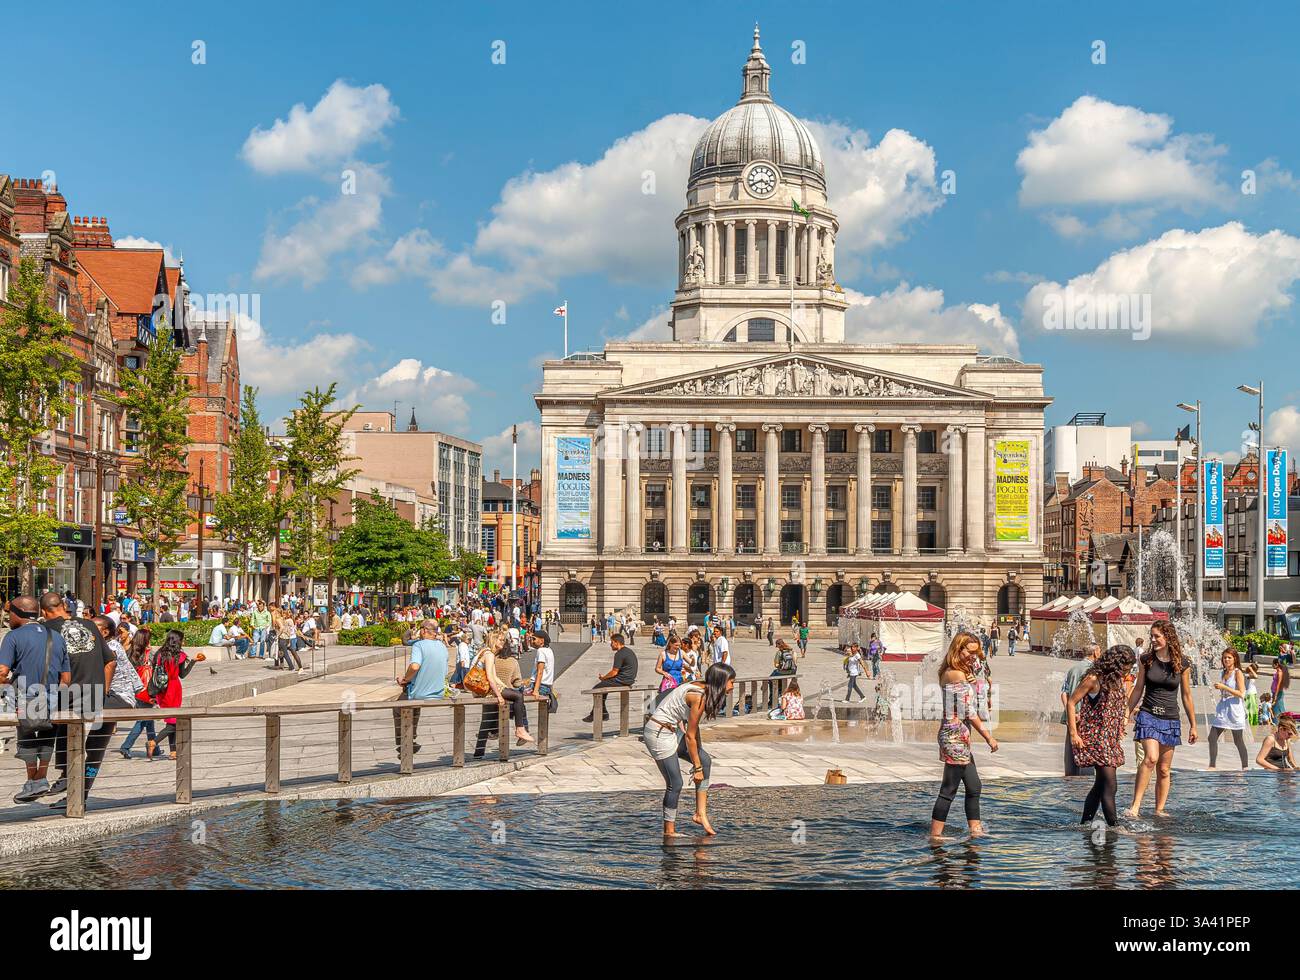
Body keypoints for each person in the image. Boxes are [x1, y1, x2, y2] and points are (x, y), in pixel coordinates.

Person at [40, 593, 118, 810]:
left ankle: (63, 781)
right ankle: (71, 788)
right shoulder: (90, 625)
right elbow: (110, 661)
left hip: (75, 695)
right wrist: (103, 692)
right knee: (86, 747)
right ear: (64, 606)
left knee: (49, 723)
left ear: (44, 612)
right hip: (100, 697)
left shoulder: (47, 630)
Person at [643, 662, 734, 837]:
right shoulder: (698, 696)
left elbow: (694, 728)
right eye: (731, 682)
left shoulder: (702, 689)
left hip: (671, 731)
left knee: (705, 760)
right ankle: (669, 831)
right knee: (675, 783)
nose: (732, 687)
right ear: (721, 681)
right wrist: (696, 768)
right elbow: (690, 736)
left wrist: (699, 757)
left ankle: (700, 814)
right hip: (658, 733)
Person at [0, 597, 71, 803]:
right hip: (54, 696)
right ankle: (41, 777)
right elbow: (66, 678)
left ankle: (33, 782)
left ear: (18, 612)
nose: (8, 617)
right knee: (48, 734)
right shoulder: (56, 636)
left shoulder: (14, 636)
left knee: (27, 734)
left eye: (9, 612)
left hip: (26, 696)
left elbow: (2, 671)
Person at [1126, 620, 1198, 818]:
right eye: (1152, 635)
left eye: (1157, 636)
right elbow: (1138, 688)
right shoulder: (1146, 659)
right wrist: (1126, 713)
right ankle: (1135, 806)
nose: (1153, 639)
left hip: (1170, 718)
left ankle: (1159, 809)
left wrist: (1193, 725)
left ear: (1168, 637)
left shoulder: (1182, 663)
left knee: (1164, 769)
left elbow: (1186, 696)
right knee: (1150, 758)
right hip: (1148, 714)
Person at [931, 631, 998, 839]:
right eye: (970, 652)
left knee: (974, 785)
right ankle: (935, 835)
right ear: (958, 649)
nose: (974, 656)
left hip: (959, 737)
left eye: (976, 652)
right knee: (949, 789)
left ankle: (975, 831)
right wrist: (988, 736)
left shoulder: (959, 671)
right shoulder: (955, 674)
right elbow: (967, 711)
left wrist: (974, 675)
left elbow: (980, 672)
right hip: (954, 737)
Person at [1066, 645, 1136, 831]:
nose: (1128, 670)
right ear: (1116, 664)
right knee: (1110, 783)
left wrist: (1122, 723)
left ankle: (1085, 823)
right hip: (1096, 738)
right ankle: (1115, 826)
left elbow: (1119, 706)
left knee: (1100, 784)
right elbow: (1072, 703)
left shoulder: (1117, 680)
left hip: (1110, 737)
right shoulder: (1093, 679)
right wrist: (1074, 733)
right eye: (1126, 666)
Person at [472, 627, 534, 758]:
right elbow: (490, 677)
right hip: (490, 690)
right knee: (518, 697)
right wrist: (500, 694)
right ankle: (521, 729)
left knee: (486, 721)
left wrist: (504, 688)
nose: (503, 642)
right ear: (494, 640)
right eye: (500, 639)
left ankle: (478, 753)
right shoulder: (489, 655)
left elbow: (494, 676)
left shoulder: (484, 652)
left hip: (485, 690)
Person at [392, 619, 449, 758]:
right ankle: (412, 738)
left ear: (424, 630)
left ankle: (405, 742)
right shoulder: (442, 646)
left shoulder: (419, 645)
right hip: (439, 692)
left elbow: (415, 666)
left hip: (419, 694)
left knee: (398, 706)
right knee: (413, 704)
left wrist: (405, 679)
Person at [150, 629, 204, 760]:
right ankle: (153, 742)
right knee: (173, 722)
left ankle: (173, 751)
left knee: (171, 720)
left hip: (161, 690)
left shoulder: (159, 654)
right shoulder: (179, 656)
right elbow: (183, 675)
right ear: (178, 641)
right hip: (173, 689)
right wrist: (193, 661)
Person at [118, 630, 162, 760]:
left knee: (148, 720)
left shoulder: (129, 653)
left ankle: (155, 748)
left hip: (136, 690)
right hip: (147, 690)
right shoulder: (149, 654)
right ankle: (126, 746)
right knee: (142, 721)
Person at [1061, 642, 1101, 777]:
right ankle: (1085, 780)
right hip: (1086, 716)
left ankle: (1070, 777)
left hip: (1072, 714)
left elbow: (1064, 693)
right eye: (1099, 651)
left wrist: (1069, 712)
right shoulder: (1094, 671)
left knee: (1070, 749)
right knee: (1085, 747)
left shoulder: (1072, 669)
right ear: (1095, 653)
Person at [582, 633, 639, 724]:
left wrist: (604, 678)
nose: (610, 645)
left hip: (622, 680)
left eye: (612, 642)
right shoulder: (628, 651)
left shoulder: (620, 654)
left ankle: (598, 714)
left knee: (596, 689)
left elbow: (614, 672)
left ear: (617, 643)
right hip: (629, 679)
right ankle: (602, 713)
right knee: (603, 689)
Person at [1208, 646, 1249, 770]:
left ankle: (1245, 766)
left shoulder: (1238, 673)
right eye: (1225, 657)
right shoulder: (1223, 672)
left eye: (1229, 657)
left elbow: (1242, 693)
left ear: (1235, 659)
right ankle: (1212, 765)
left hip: (1234, 709)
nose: (1226, 660)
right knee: (1212, 737)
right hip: (1223, 708)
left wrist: (1224, 687)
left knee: (1238, 740)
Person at [1244, 662, 1261, 727]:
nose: (1256, 671)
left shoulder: (1250, 674)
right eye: (1255, 670)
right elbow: (1256, 676)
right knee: (1251, 709)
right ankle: (1251, 723)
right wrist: (1251, 669)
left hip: (1252, 693)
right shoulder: (1247, 675)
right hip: (1249, 694)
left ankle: (1252, 723)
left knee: (1253, 709)